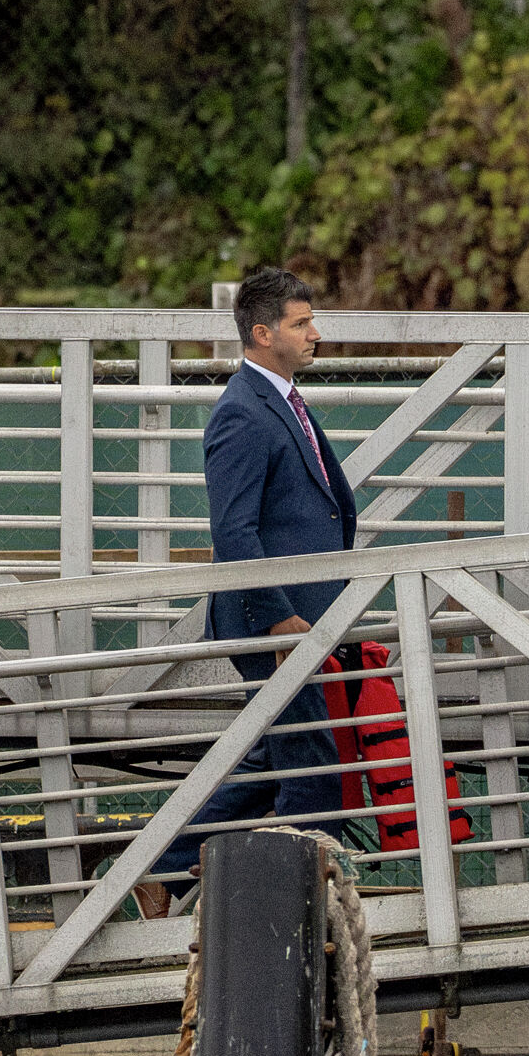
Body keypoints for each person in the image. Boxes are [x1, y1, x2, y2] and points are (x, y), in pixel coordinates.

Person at [134, 268, 357, 918]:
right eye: (300, 323)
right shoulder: (241, 411)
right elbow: (234, 530)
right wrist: (278, 618)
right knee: (312, 758)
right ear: (262, 334)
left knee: (272, 755)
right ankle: (314, 899)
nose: (315, 333)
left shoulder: (284, 398)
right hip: (275, 621)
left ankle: (167, 871)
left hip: (303, 615)